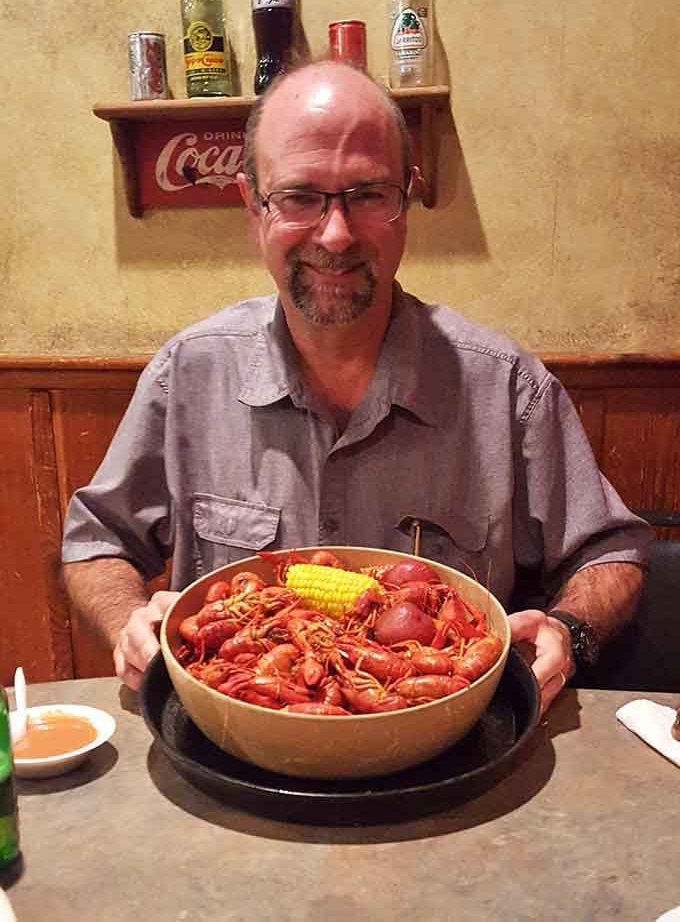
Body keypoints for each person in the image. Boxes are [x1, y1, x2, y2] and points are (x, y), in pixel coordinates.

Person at [61, 60, 650, 714]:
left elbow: (612, 553)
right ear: (252, 209)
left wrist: (569, 628)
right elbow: (97, 543)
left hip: (445, 755)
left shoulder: (508, 387)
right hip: (239, 748)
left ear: (408, 200)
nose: (336, 234)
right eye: (299, 196)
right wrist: (127, 622)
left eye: (368, 193)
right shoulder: (188, 373)